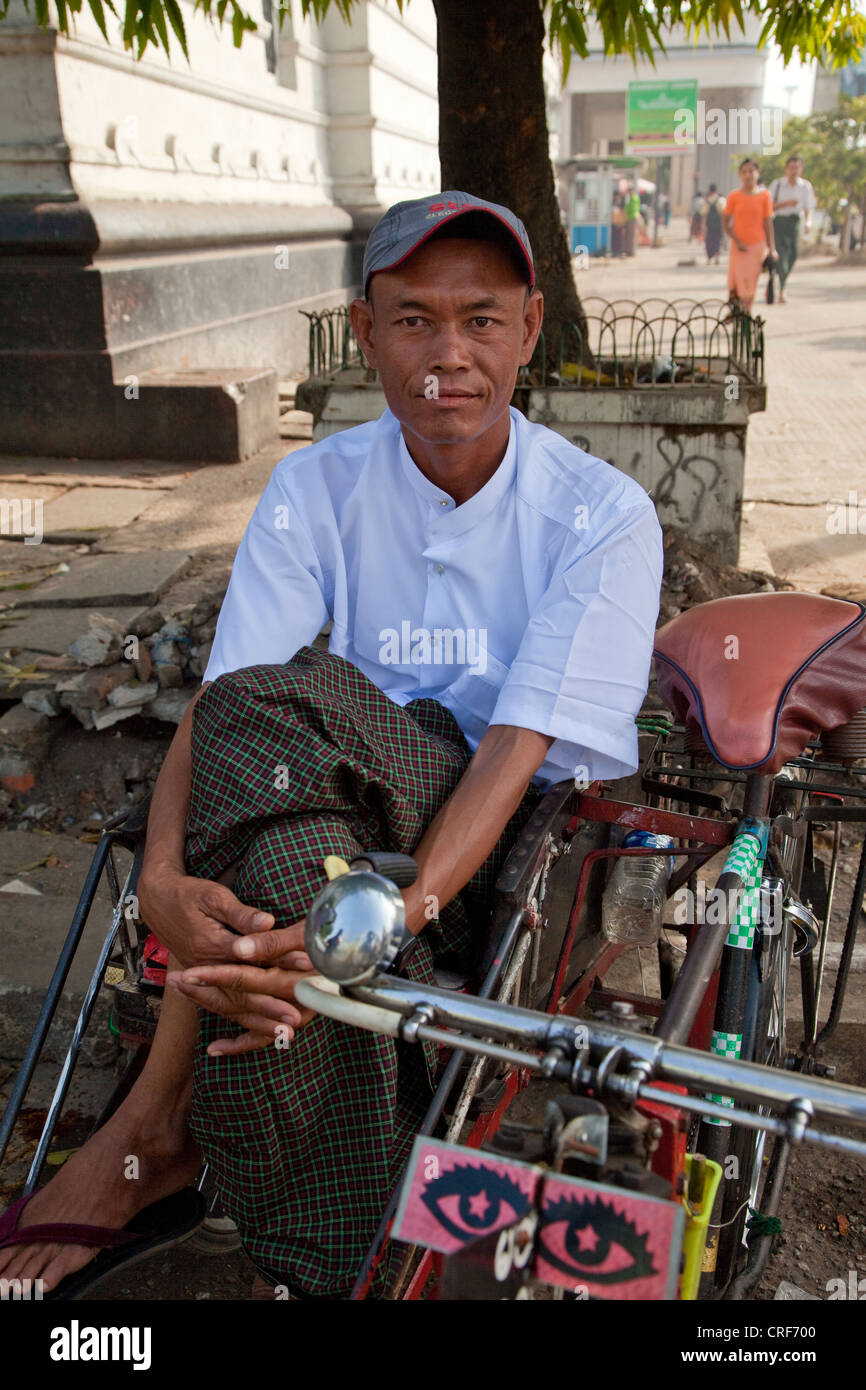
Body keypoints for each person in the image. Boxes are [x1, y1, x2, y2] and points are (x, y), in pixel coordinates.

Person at [0, 191, 663, 1300]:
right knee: (276, 826)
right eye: (412, 320)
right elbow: (224, 706)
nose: (446, 356)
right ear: (363, 333)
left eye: (480, 321)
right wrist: (162, 882)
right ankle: (322, 1252)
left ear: (530, 328)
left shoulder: (598, 512)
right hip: (336, 805)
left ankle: (155, 1130)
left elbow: (516, 739)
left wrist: (394, 915)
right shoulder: (316, 485)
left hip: (499, 819)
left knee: (290, 728)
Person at [723, 158, 777, 312]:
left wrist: (772, 248)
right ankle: (737, 312)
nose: (748, 175)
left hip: (757, 246)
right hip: (739, 247)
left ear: (757, 174)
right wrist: (737, 240)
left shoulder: (764, 196)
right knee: (735, 282)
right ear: (740, 175)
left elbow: (768, 222)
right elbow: (726, 223)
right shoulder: (734, 196)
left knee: (749, 284)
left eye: (751, 171)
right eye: (744, 171)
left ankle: (746, 315)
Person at [769, 155, 815, 303]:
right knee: (781, 255)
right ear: (786, 169)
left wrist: (808, 223)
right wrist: (786, 203)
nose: (794, 171)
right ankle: (782, 289)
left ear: (801, 169)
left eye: (797, 168)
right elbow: (769, 206)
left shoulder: (805, 186)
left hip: (794, 222)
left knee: (792, 255)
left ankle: (781, 280)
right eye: (791, 168)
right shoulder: (777, 185)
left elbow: (808, 207)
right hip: (779, 222)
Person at [703, 184, 725, 264]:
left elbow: (704, 214)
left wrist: (703, 226)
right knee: (717, 241)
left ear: (709, 190)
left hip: (709, 225)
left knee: (709, 241)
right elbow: (723, 214)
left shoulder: (707, 201)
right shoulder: (720, 200)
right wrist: (723, 225)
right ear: (716, 190)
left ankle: (709, 258)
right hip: (718, 225)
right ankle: (716, 257)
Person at [624, 181, 641, 257]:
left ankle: (631, 252)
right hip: (631, 217)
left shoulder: (634, 198)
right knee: (629, 235)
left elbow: (632, 208)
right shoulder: (633, 198)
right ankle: (629, 251)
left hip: (632, 217)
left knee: (632, 235)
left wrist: (626, 209)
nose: (629, 193)